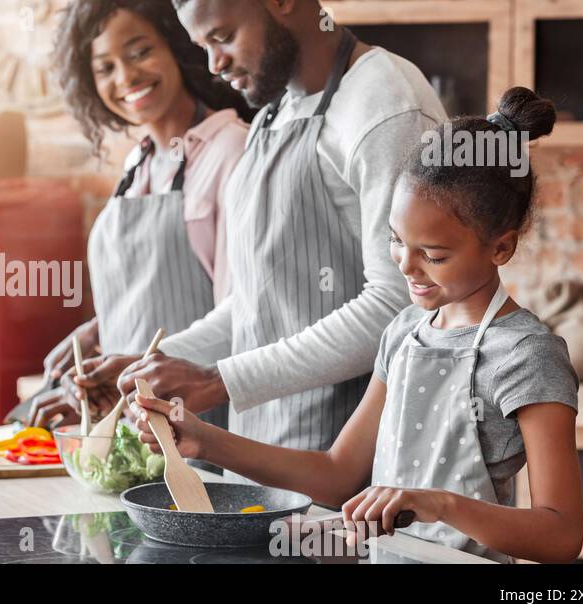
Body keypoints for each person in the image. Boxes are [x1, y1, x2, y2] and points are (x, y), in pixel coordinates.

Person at [131, 88, 583, 563]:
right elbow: (338, 472)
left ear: (501, 248)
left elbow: (560, 535)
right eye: (395, 240)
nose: (407, 267)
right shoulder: (406, 332)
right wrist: (205, 439)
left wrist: (440, 505)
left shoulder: (526, 355)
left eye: (434, 255)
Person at [92, 0, 445, 469]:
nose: (215, 66)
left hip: (361, 478)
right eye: (203, 47)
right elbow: (257, 305)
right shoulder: (271, 117)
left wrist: (223, 380)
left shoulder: (385, 103)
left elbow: (400, 304)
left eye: (222, 38)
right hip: (268, 463)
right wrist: (152, 360)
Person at [29, 0, 252, 428]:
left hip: (202, 429)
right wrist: (99, 332)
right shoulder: (138, 164)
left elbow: (241, 313)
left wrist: (137, 363)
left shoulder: (229, 151)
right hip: (134, 425)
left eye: (139, 52)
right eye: (105, 67)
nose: (126, 77)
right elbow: (155, 290)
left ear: (177, 45)